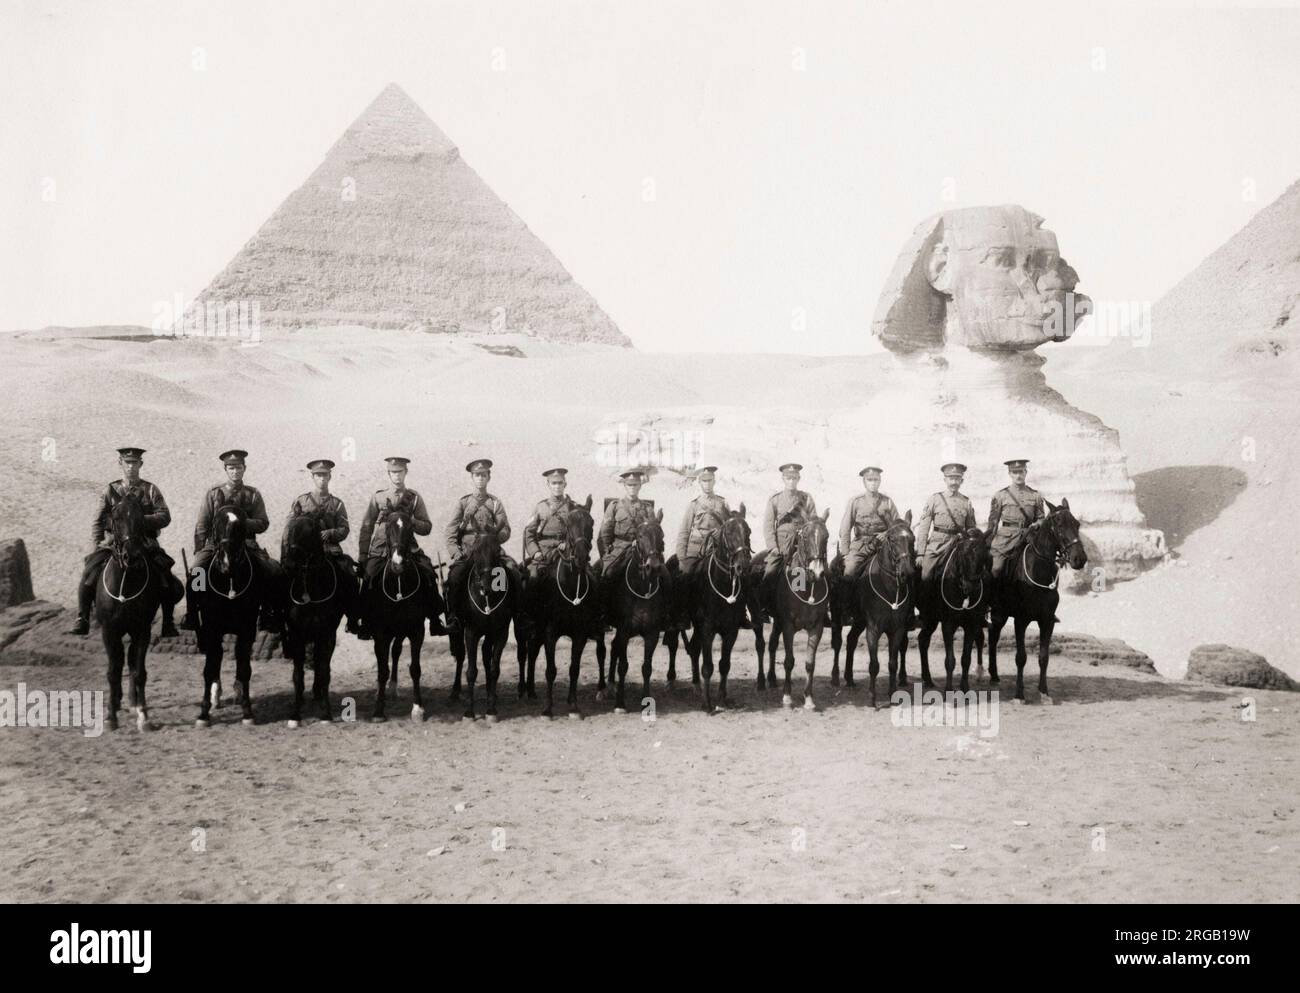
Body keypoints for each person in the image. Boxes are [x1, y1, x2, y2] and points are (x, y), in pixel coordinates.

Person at [70, 446, 182, 637]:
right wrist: (98, 544)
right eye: (127, 463)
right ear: (120, 464)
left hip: (145, 542)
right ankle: (82, 618)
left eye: (134, 463)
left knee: (165, 576)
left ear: (141, 464)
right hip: (114, 542)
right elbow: (98, 519)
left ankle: (168, 622)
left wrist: (140, 520)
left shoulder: (150, 489)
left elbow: (165, 516)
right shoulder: (111, 490)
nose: (131, 467)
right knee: (89, 572)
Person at [181, 449, 285, 632]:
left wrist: (242, 523)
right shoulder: (213, 494)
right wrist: (200, 548)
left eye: (238, 468)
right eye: (231, 468)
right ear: (225, 470)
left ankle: (268, 613)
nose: (235, 471)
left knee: (273, 571)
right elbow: (202, 524)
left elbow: (263, 523)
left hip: (247, 543)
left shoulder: (253, 494)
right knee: (197, 572)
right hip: (217, 544)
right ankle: (192, 613)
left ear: (244, 469)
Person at [355, 456, 446, 637]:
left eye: (400, 472)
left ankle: (435, 620)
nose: (397, 476)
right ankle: (365, 622)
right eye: (393, 472)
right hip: (381, 548)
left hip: (407, 547)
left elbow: (426, 527)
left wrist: (411, 521)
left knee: (428, 573)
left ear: (406, 473)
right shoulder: (378, 497)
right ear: (389, 474)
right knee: (369, 577)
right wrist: (364, 554)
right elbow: (367, 526)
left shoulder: (413, 498)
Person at [283, 458, 361, 634]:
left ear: (330, 477)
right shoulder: (301, 501)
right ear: (312, 477)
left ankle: (353, 618)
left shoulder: (337, 503)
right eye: (318, 475)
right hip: (306, 554)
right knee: (284, 577)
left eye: (325, 475)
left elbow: (344, 529)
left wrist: (331, 533)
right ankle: (279, 616)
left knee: (349, 574)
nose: (322, 479)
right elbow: (290, 528)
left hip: (330, 550)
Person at [443, 459, 521, 630]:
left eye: (483, 475)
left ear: (488, 477)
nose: (480, 478)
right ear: (472, 478)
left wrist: (493, 537)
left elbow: (506, 529)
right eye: (477, 475)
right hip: (468, 553)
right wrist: (456, 553)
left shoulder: (495, 503)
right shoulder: (463, 503)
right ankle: (454, 617)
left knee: (513, 573)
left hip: (491, 554)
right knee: (455, 578)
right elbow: (451, 532)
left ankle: (514, 616)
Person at [594, 468, 673, 625]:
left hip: (643, 550)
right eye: (629, 485)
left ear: (640, 486)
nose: (632, 488)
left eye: (635, 485)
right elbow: (604, 533)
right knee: (606, 574)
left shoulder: (647, 508)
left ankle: (665, 616)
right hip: (619, 548)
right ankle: (602, 616)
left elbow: (654, 532)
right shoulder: (615, 507)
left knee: (665, 575)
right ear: (624, 486)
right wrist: (607, 553)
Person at [673, 465, 732, 628]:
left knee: (734, 575)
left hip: (716, 549)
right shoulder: (694, 505)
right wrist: (681, 556)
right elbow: (684, 531)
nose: (707, 484)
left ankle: (739, 614)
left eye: (710, 481)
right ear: (699, 483)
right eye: (704, 481)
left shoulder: (722, 503)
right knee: (685, 577)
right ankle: (683, 614)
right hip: (696, 550)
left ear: (714, 481)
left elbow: (730, 529)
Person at [759, 462, 819, 615]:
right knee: (770, 572)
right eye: (788, 478)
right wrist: (773, 546)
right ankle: (765, 607)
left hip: (803, 544)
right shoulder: (775, 499)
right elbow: (768, 525)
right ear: (783, 479)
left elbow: (813, 523)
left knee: (819, 571)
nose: (791, 481)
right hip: (781, 543)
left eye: (794, 478)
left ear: (799, 479)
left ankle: (820, 609)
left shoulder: (806, 498)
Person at [522, 467, 578, 614]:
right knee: (532, 577)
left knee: (588, 576)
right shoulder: (540, 507)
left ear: (565, 484)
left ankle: (592, 620)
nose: (557, 486)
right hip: (544, 552)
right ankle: (530, 617)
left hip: (566, 552)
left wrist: (569, 545)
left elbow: (580, 533)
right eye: (554, 483)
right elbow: (529, 533)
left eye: (560, 483)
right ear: (548, 485)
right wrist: (535, 553)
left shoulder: (573, 507)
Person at [914, 462, 978, 584]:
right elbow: (924, 528)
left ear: (962, 481)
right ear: (945, 479)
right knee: (925, 576)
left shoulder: (966, 502)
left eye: (957, 478)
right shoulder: (934, 499)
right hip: (937, 546)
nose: (954, 482)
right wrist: (921, 553)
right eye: (951, 478)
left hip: (958, 545)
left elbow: (971, 530)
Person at [987, 459, 1046, 579]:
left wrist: (1037, 524)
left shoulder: (1036, 495)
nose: (1018, 475)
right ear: (1010, 474)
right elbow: (993, 522)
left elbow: (1041, 518)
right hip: (1005, 540)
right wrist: (988, 542)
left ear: (1026, 472)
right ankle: (993, 596)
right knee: (996, 568)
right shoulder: (1000, 495)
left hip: (1029, 537)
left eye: (1021, 472)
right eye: (1015, 472)